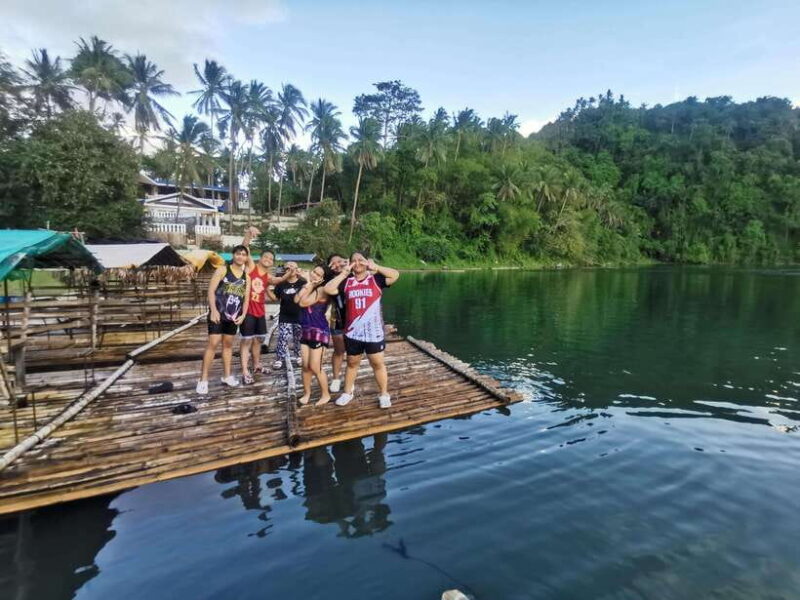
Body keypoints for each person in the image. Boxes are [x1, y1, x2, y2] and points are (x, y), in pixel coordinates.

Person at [323, 252, 399, 408]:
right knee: (352, 363)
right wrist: (344, 272)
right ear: (350, 263)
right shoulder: (347, 282)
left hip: (374, 332)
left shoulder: (375, 279)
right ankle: (347, 392)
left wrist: (375, 267)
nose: (357, 263)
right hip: (352, 332)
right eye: (354, 261)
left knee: (377, 363)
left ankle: (384, 394)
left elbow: (395, 275)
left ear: (367, 262)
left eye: (361, 260)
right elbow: (329, 289)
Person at [196, 245, 251, 394]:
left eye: (244, 254)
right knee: (213, 343)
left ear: (246, 257)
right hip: (218, 314)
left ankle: (226, 376)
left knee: (228, 345)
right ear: (233, 255)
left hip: (232, 317)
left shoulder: (247, 277)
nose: (240, 257)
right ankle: (203, 379)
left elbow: (246, 299)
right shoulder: (222, 270)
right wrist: (213, 310)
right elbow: (211, 291)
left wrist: (243, 315)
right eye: (238, 254)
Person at [239, 227, 285, 384]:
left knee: (258, 340)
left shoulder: (268, 276)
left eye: (271, 259)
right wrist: (248, 234)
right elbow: (245, 249)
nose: (267, 259)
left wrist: (291, 273)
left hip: (260, 312)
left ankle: (257, 365)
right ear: (260, 258)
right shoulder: (252, 267)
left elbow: (278, 281)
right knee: (246, 341)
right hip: (247, 311)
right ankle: (245, 371)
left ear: (272, 263)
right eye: (265, 256)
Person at [294, 265, 332, 405]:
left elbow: (303, 302)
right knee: (305, 365)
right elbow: (296, 300)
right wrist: (308, 284)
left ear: (323, 279)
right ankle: (307, 393)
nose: (314, 275)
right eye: (314, 271)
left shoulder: (322, 290)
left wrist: (308, 285)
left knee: (315, 366)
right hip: (305, 330)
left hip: (318, 331)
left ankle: (326, 394)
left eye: (319, 274)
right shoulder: (309, 285)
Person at [267, 261, 305, 369]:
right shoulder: (281, 283)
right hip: (285, 315)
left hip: (299, 315)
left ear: (297, 269)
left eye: (292, 266)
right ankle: (279, 358)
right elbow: (275, 298)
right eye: (287, 267)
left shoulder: (302, 282)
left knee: (298, 337)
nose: (290, 268)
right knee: (283, 337)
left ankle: (298, 355)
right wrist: (266, 289)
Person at [325, 253, 349, 392]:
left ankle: (349, 379)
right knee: (339, 350)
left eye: (340, 261)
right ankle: (335, 378)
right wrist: (328, 269)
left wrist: (348, 264)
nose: (337, 265)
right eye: (333, 263)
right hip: (337, 318)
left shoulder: (353, 274)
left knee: (352, 353)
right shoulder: (328, 279)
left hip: (354, 319)